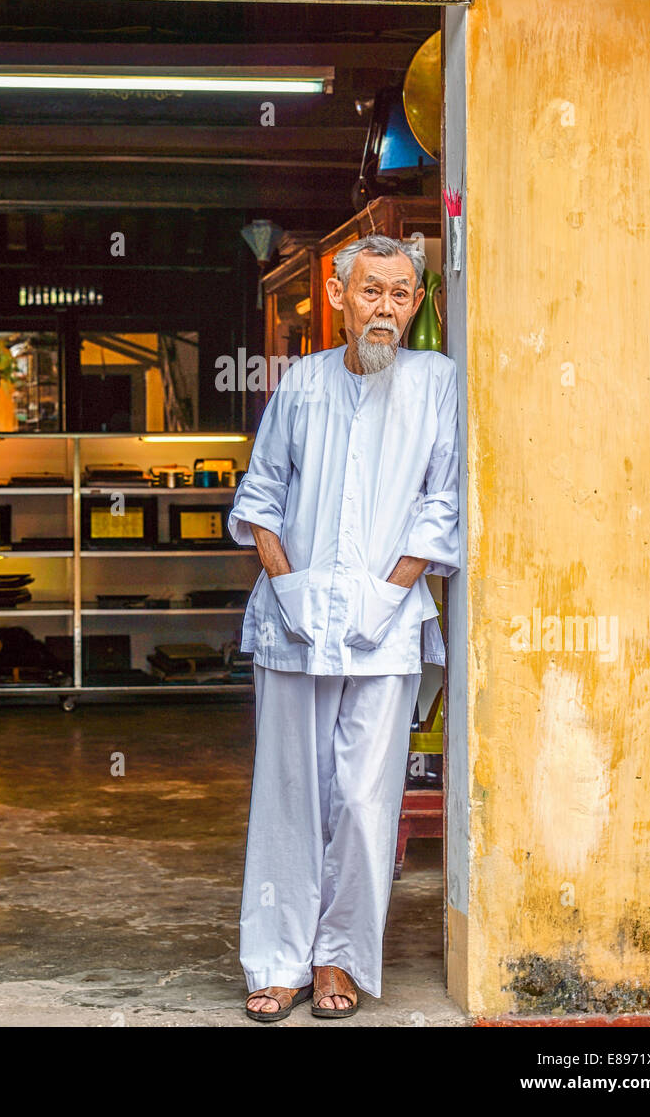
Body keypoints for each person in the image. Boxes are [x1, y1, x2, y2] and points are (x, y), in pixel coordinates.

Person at [227, 232, 460, 1021]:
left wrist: (387, 595)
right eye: (371, 291)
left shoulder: (437, 384)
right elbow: (259, 501)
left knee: (365, 800)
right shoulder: (299, 385)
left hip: (388, 625)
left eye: (401, 294)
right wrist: (289, 589)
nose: (386, 308)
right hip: (292, 623)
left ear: (417, 303)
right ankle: (278, 958)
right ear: (337, 298)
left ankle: (338, 960)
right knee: (290, 794)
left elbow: (441, 508)